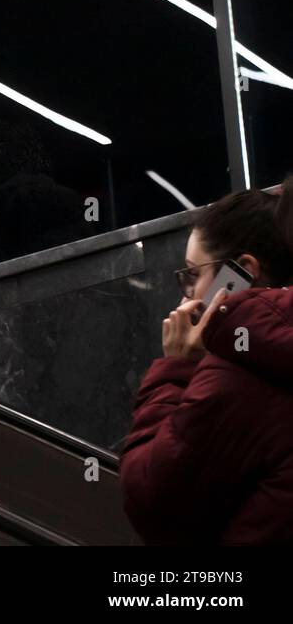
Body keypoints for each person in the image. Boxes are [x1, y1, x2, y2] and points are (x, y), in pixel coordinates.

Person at [120, 181, 293, 545]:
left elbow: (150, 500)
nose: (185, 295)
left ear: (240, 274)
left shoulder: (240, 373)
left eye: (193, 275)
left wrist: (177, 368)